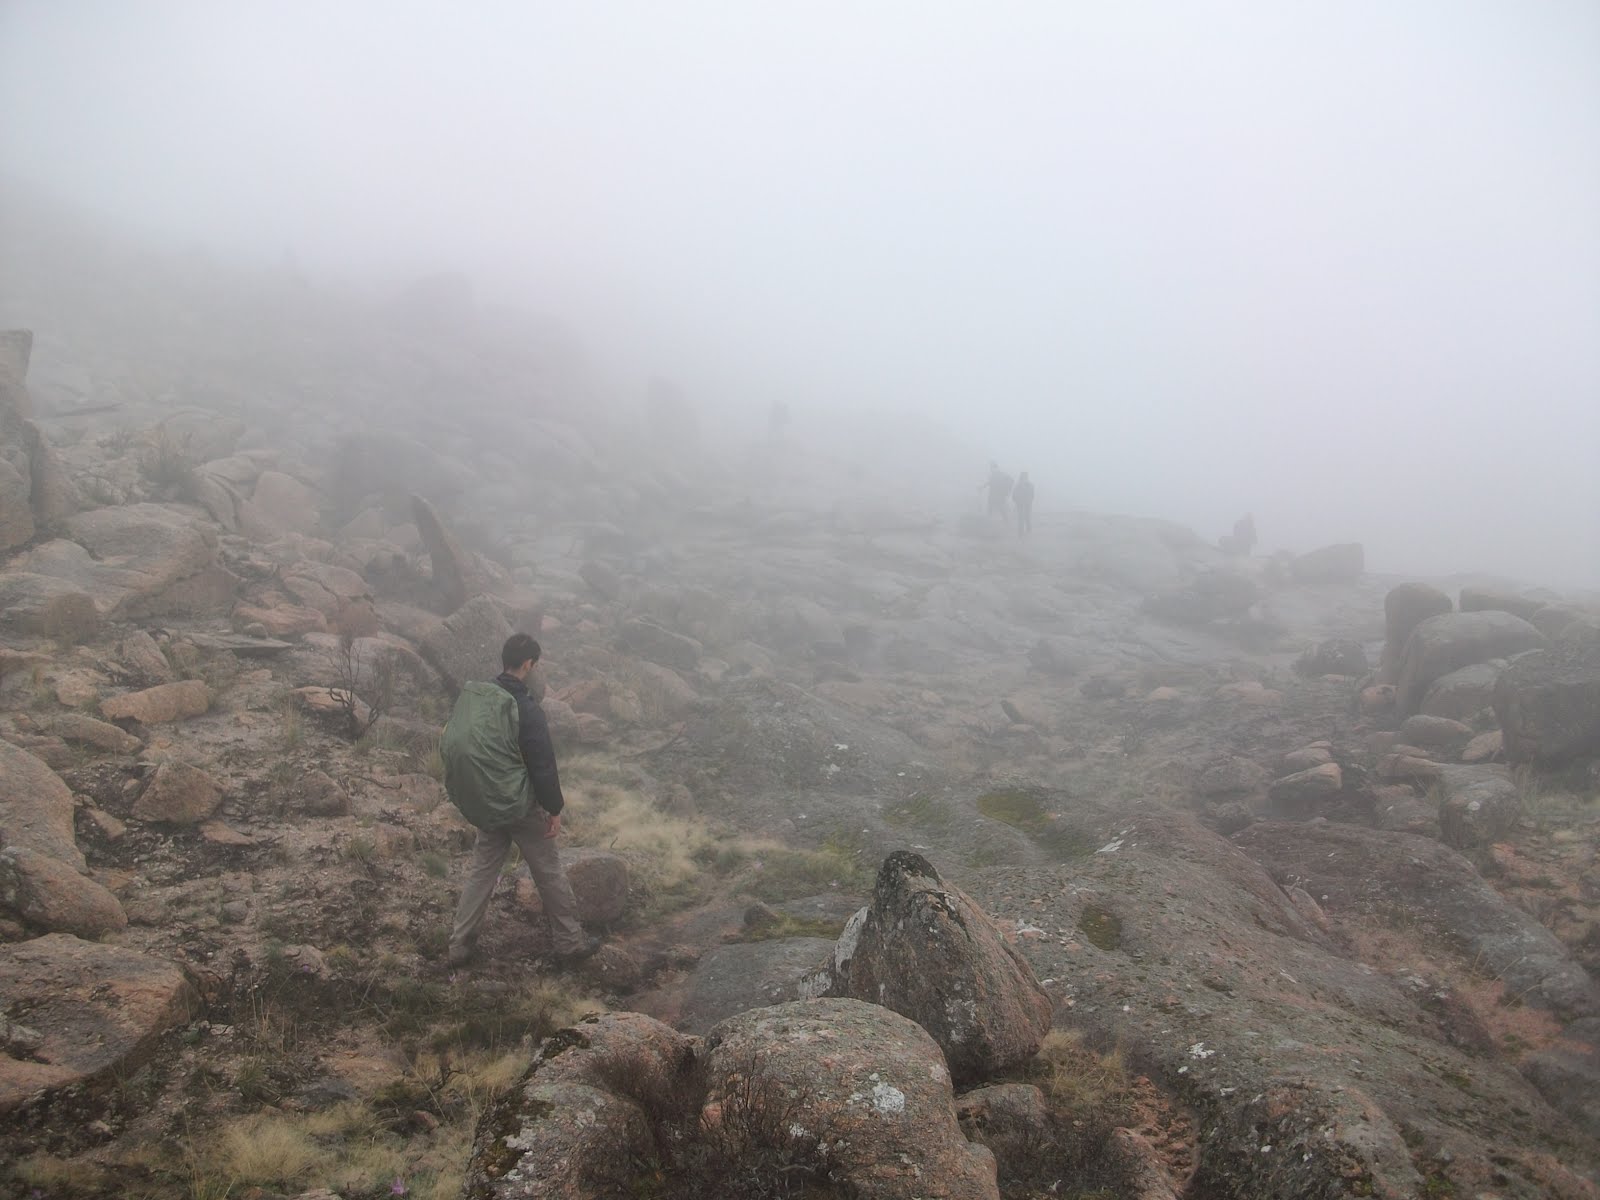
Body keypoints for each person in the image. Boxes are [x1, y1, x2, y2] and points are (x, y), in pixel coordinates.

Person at [443, 633, 599, 968]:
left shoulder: (482, 697)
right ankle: (570, 944)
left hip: (488, 802)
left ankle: (459, 947)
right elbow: (542, 766)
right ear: (528, 664)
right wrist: (554, 808)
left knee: (481, 873)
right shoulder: (526, 709)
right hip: (519, 807)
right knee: (549, 872)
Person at [1013, 471, 1035, 536]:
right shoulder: (1030, 485)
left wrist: (1016, 500)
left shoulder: (1018, 484)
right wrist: (1030, 500)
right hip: (1026, 502)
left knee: (1021, 517)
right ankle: (1028, 529)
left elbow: (1014, 494)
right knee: (1026, 516)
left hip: (1021, 503)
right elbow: (1032, 495)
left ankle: (1021, 531)